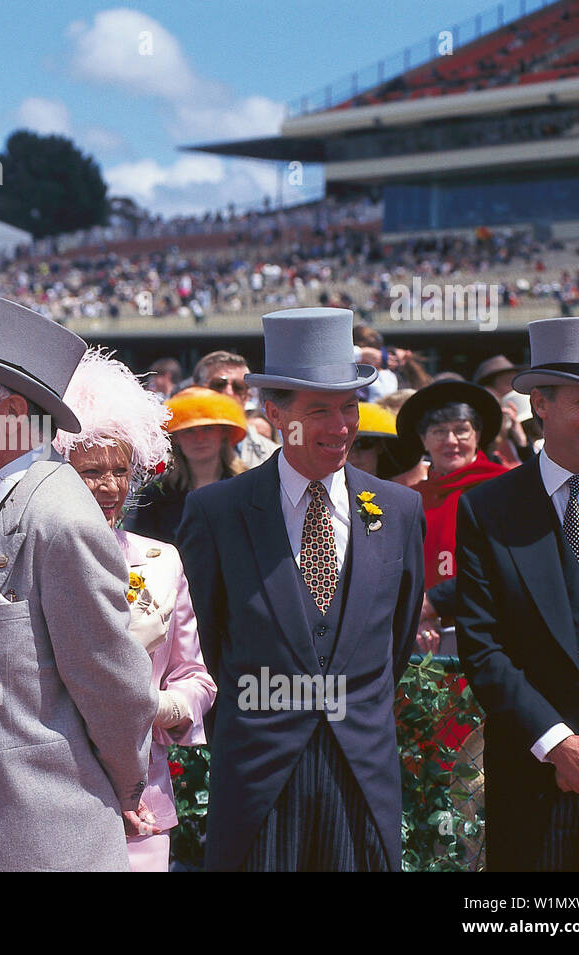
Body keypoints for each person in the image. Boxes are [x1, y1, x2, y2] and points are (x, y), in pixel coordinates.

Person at [0, 294, 155, 871]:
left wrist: (125, 784)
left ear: (12, 410)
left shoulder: (57, 515)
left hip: (24, 835)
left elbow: (114, 685)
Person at [178, 307, 425, 871]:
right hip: (258, 779)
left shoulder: (399, 509)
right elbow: (207, 643)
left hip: (362, 776)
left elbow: (397, 637)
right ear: (275, 413)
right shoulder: (218, 512)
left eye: (348, 407)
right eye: (319, 411)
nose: (341, 426)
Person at [457, 316, 579, 871]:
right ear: (541, 403)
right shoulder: (487, 509)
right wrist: (558, 742)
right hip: (532, 782)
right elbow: (482, 644)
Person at [54, 349, 215, 871]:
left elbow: (195, 676)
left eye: (120, 470)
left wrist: (163, 706)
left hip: (144, 797)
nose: (108, 486)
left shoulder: (161, 559)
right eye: (91, 471)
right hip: (50, 791)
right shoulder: (35, 557)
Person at [394, 380, 508, 653]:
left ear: (477, 435)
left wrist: (433, 604)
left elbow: (505, 567)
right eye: (439, 431)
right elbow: (399, 570)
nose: (451, 441)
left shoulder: (505, 489)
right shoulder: (410, 500)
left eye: (461, 430)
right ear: (423, 440)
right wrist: (416, 617)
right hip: (427, 641)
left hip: (495, 633)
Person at [126, 387, 246, 544]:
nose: (199, 438)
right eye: (188, 431)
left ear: (224, 433)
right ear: (175, 438)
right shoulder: (156, 497)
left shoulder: (246, 488)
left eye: (208, 428)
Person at [192, 349, 279, 467]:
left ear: (247, 396)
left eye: (239, 387)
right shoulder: (169, 452)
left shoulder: (273, 456)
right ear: (196, 390)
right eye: (218, 384)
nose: (229, 392)